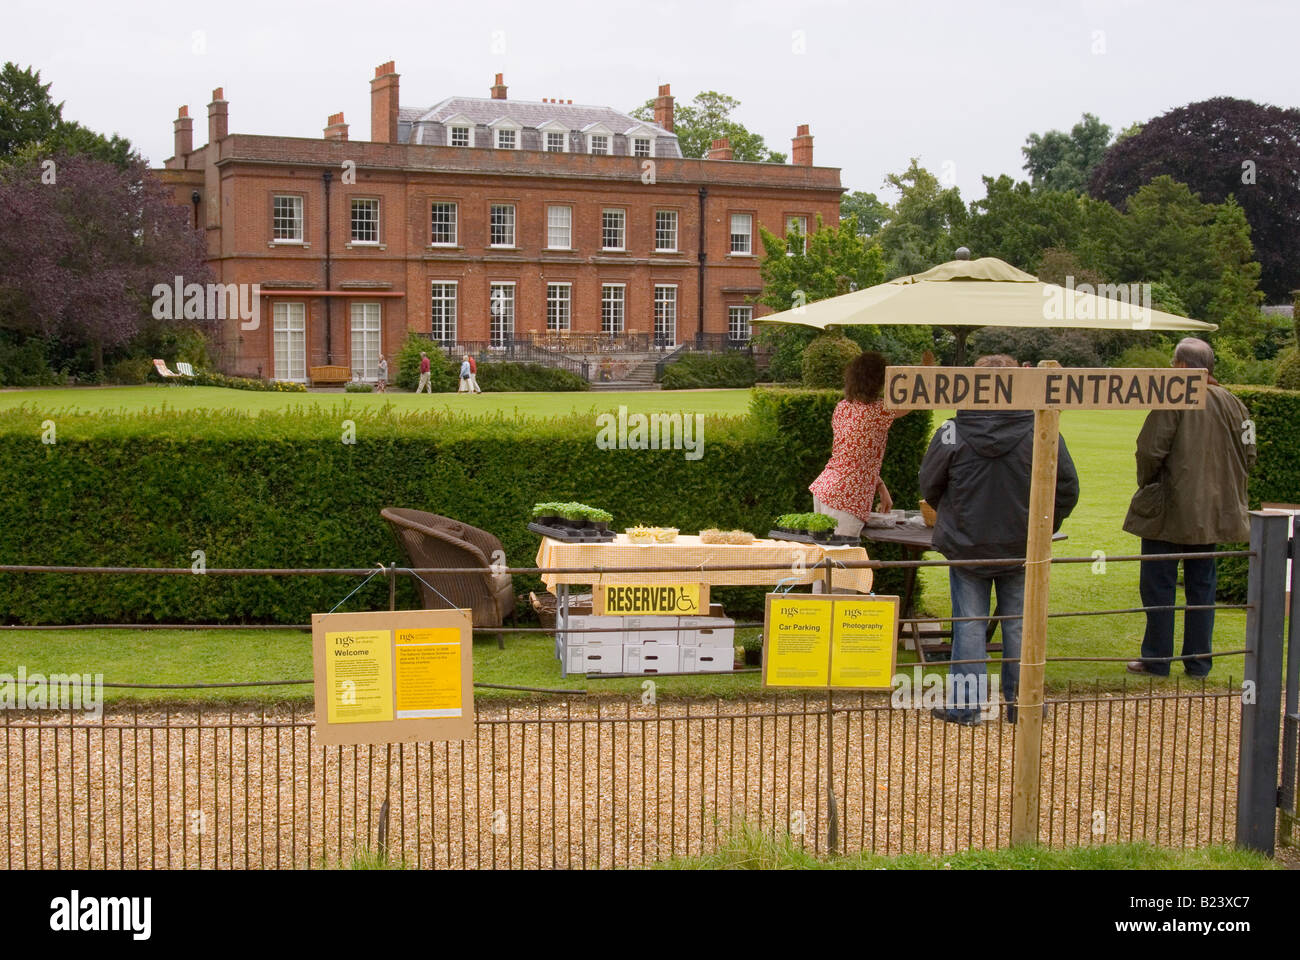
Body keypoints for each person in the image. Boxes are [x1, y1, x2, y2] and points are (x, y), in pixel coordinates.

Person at [919, 354, 1080, 725]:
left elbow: (929, 485)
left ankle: (967, 707)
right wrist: (1041, 526)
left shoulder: (952, 430)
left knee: (970, 626)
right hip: (1020, 546)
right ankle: (1022, 707)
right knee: (1020, 625)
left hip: (968, 544)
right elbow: (1067, 488)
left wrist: (954, 513)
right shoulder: (1040, 428)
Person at [1123, 337, 1255, 678]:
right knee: (1202, 587)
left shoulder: (1174, 397)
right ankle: (1198, 663)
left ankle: (1157, 660)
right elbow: (1250, 453)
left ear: (1181, 367)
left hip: (1170, 507)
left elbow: (1149, 451)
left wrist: (1148, 485)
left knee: (1158, 584)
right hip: (1214, 511)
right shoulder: (1236, 403)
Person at [807, 351, 899, 540]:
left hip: (826, 488)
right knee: (842, 562)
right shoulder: (879, 410)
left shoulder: (843, 407)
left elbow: (853, 456)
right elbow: (913, 400)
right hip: (846, 497)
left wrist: (881, 487)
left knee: (825, 561)